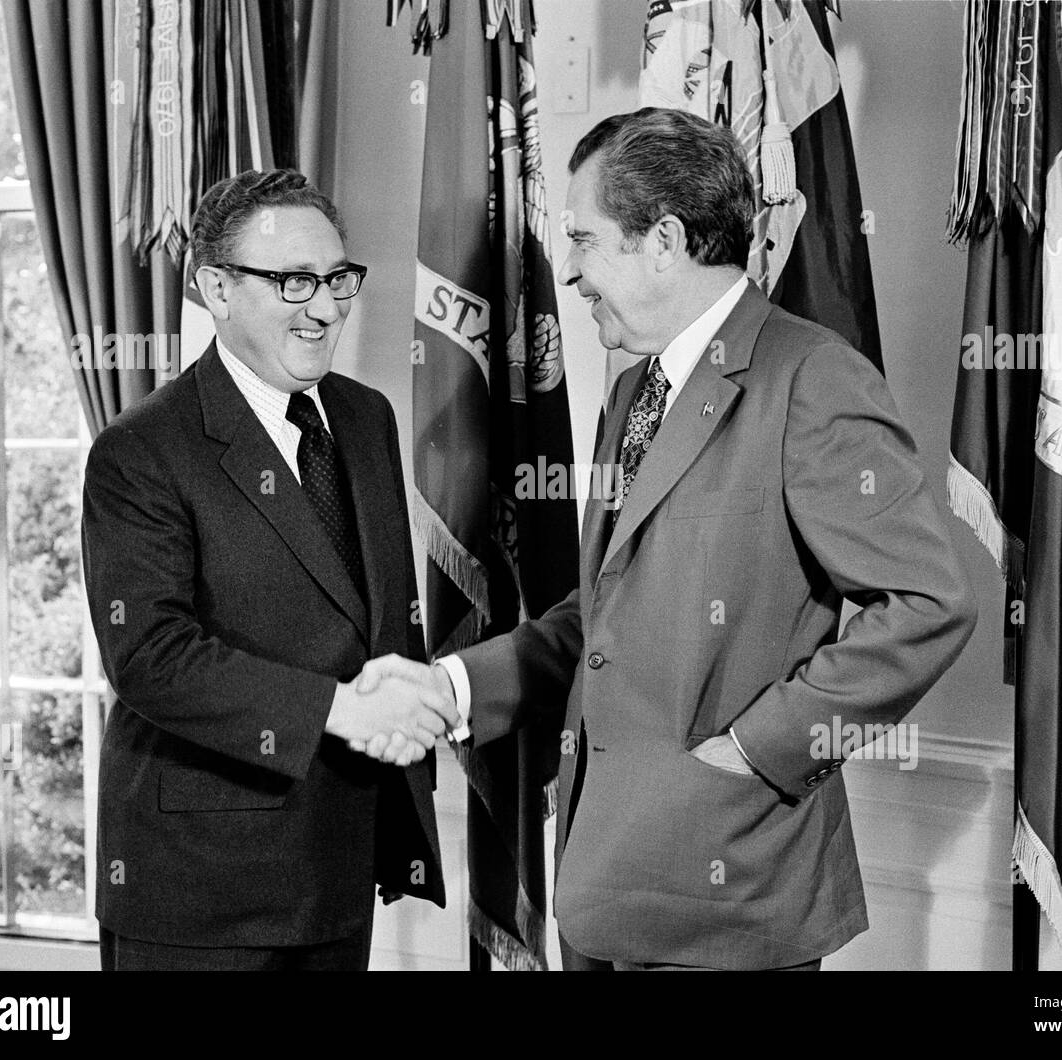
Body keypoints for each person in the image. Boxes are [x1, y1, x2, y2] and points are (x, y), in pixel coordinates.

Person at [361, 108, 978, 971]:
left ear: (665, 240)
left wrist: (755, 752)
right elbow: (604, 614)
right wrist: (453, 685)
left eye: (582, 239)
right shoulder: (632, 393)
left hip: (733, 903)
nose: (567, 270)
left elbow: (927, 605)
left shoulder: (813, 378)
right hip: (603, 885)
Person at [81, 169, 458, 971]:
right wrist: (338, 709)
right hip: (199, 894)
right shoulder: (142, 450)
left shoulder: (365, 418)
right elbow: (149, 657)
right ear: (216, 288)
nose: (324, 308)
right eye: (292, 282)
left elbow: (378, 622)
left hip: (341, 870)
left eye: (336, 279)